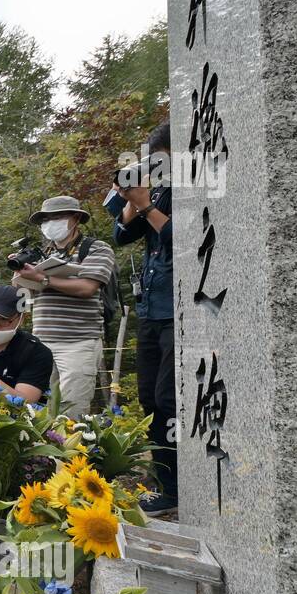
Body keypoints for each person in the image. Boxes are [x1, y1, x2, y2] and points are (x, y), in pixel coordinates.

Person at [112, 119, 177, 517]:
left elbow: (180, 237)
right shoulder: (157, 191)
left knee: (171, 398)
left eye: (162, 161)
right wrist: (133, 200)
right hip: (151, 311)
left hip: (179, 311)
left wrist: (148, 204)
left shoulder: (189, 190)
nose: (156, 169)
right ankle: (164, 480)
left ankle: (179, 485)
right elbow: (121, 237)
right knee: (150, 397)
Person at [11, 196, 115, 417]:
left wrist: (43, 279)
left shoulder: (96, 249)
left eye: (57, 217)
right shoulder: (42, 255)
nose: (50, 224)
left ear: (75, 218)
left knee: (72, 411)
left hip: (78, 342)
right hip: (41, 341)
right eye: (46, 220)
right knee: (38, 412)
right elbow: (25, 295)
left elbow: (88, 287)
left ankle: (75, 452)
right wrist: (21, 277)